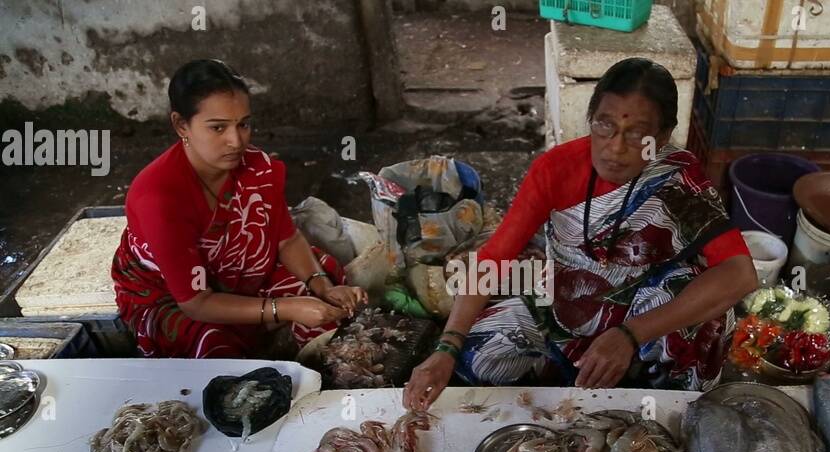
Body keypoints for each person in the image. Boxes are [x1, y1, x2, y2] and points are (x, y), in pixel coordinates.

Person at [404, 58, 758, 410]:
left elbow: (739, 274)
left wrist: (630, 334)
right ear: (591, 120)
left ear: (663, 136)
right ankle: (581, 377)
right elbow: (494, 259)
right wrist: (446, 346)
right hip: (566, 302)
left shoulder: (678, 178)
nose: (615, 148)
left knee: (710, 321)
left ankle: (668, 406)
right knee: (478, 357)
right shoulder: (556, 169)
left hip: (645, 309)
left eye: (637, 134)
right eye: (605, 126)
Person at [111, 59, 365, 358]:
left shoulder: (256, 169)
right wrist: (286, 308)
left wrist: (320, 285)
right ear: (181, 125)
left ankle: (281, 328)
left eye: (243, 124)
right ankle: (267, 327)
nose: (236, 141)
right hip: (173, 294)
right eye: (218, 127)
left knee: (329, 279)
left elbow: (286, 238)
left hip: (239, 272)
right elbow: (196, 302)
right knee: (214, 346)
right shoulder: (159, 196)